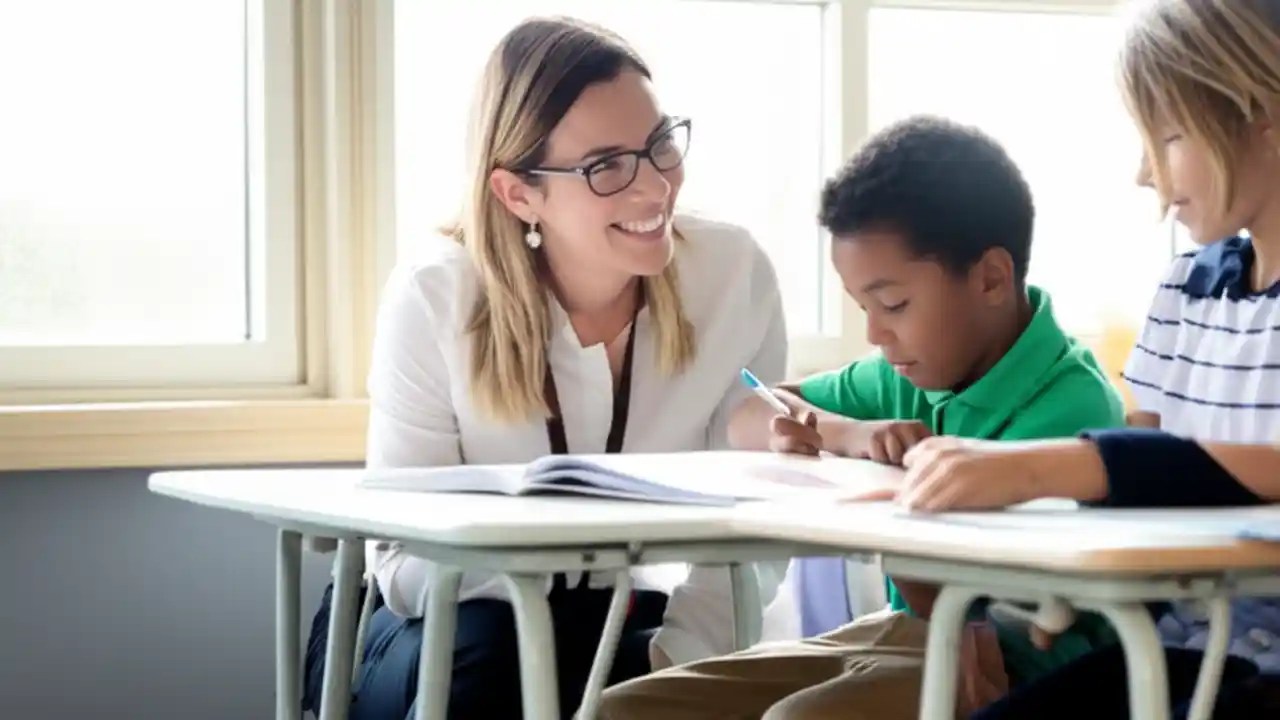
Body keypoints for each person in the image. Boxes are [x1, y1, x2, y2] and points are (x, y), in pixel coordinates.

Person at [301, 16, 787, 720]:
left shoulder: (733, 275)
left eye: (659, 145)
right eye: (606, 166)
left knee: (662, 675)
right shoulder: (435, 298)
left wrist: (675, 659)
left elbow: (752, 523)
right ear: (518, 194)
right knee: (500, 650)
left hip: (615, 623)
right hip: (430, 631)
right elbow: (405, 567)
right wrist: (544, 591)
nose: (654, 188)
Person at [596, 115, 1125, 720]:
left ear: (992, 279)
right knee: (625, 709)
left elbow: (971, 607)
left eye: (894, 304)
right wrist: (845, 434)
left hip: (1009, 668)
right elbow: (762, 402)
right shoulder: (909, 373)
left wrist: (888, 507)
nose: (875, 333)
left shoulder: (1074, 412)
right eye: (862, 307)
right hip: (901, 633)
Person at [894, 1, 1280, 717]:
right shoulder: (1186, 288)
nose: (1144, 173)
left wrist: (1046, 464)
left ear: (1264, 115)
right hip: (1178, 655)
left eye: (1166, 137)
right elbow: (1156, 457)